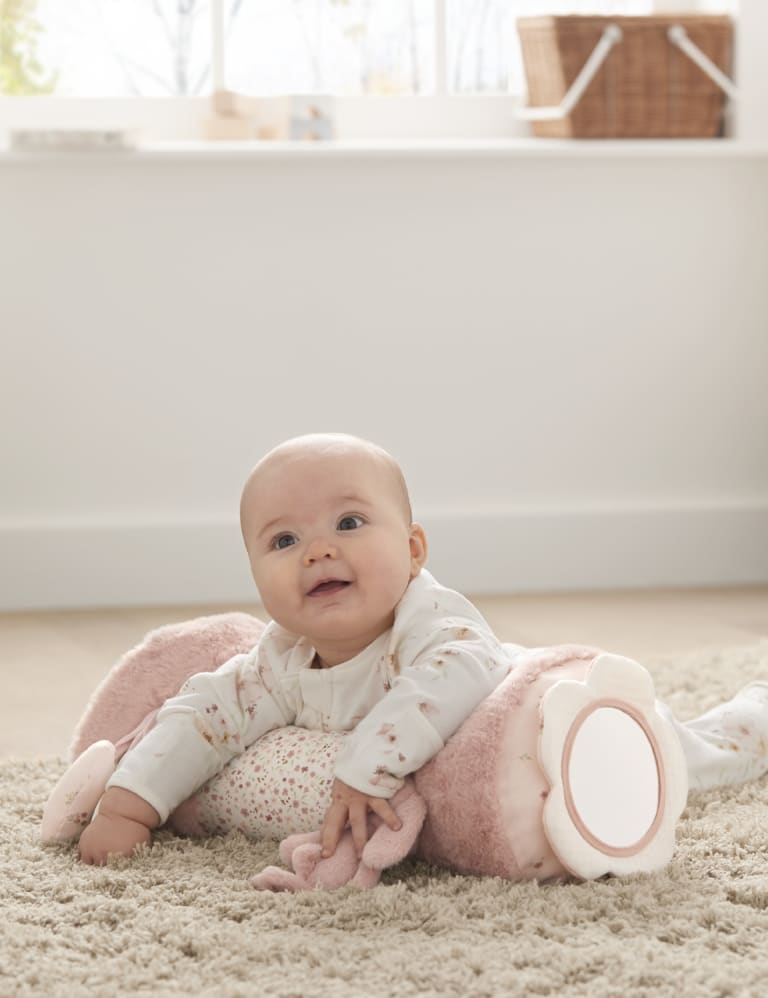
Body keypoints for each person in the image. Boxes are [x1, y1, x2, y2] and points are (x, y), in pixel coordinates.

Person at [78, 432, 768, 866]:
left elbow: (463, 669)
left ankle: (756, 714)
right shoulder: (279, 660)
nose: (318, 548)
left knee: (695, 750)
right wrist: (130, 802)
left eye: (349, 522)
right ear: (254, 574)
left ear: (412, 551)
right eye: (284, 540)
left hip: (552, 716)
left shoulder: (434, 621)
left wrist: (366, 764)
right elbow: (203, 715)